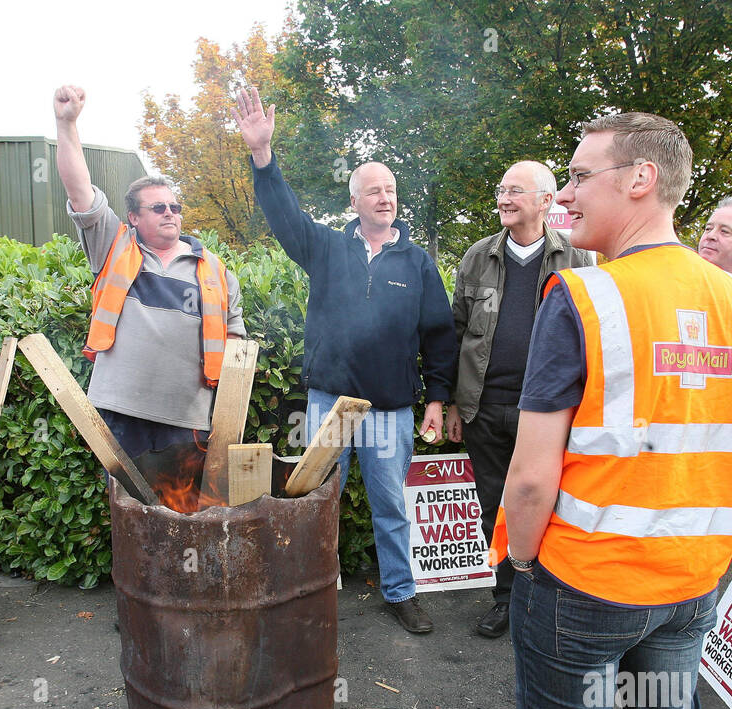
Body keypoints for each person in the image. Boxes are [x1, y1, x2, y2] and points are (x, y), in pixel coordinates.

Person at [491, 112, 732, 709]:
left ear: (642, 179)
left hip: (581, 586)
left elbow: (528, 481)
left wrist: (523, 564)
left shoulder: (583, 297)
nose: (566, 195)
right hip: (692, 584)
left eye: (582, 176)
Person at [233, 86, 457, 635]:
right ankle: (313, 590)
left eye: (391, 190)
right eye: (373, 191)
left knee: (391, 508)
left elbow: (440, 335)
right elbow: (285, 216)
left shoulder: (418, 262)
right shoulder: (326, 249)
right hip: (327, 403)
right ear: (354, 201)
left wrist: (436, 398)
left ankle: (401, 593)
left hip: (387, 411)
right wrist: (263, 155)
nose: (385, 198)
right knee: (315, 503)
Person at [53, 85, 245, 460]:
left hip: (187, 419)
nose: (169, 212)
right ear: (134, 218)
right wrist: (66, 124)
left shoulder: (217, 272)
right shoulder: (114, 247)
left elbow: (236, 344)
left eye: (174, 206)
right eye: (158, 208)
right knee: (128, 511)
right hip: (120, 413)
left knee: (184, 514)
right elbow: (79, 191)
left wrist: (226, 417)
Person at [447, 161, 593, 638]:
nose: (504, 199)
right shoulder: (477, 257)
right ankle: (506, 598)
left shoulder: (578, 258)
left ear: (546, 201)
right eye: (501, 189)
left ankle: (547, 599)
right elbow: (456, 331)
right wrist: (451, 402)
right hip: (484, 409)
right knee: (496, 507)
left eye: (515, 191)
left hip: (549, 416)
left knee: (550, 503)